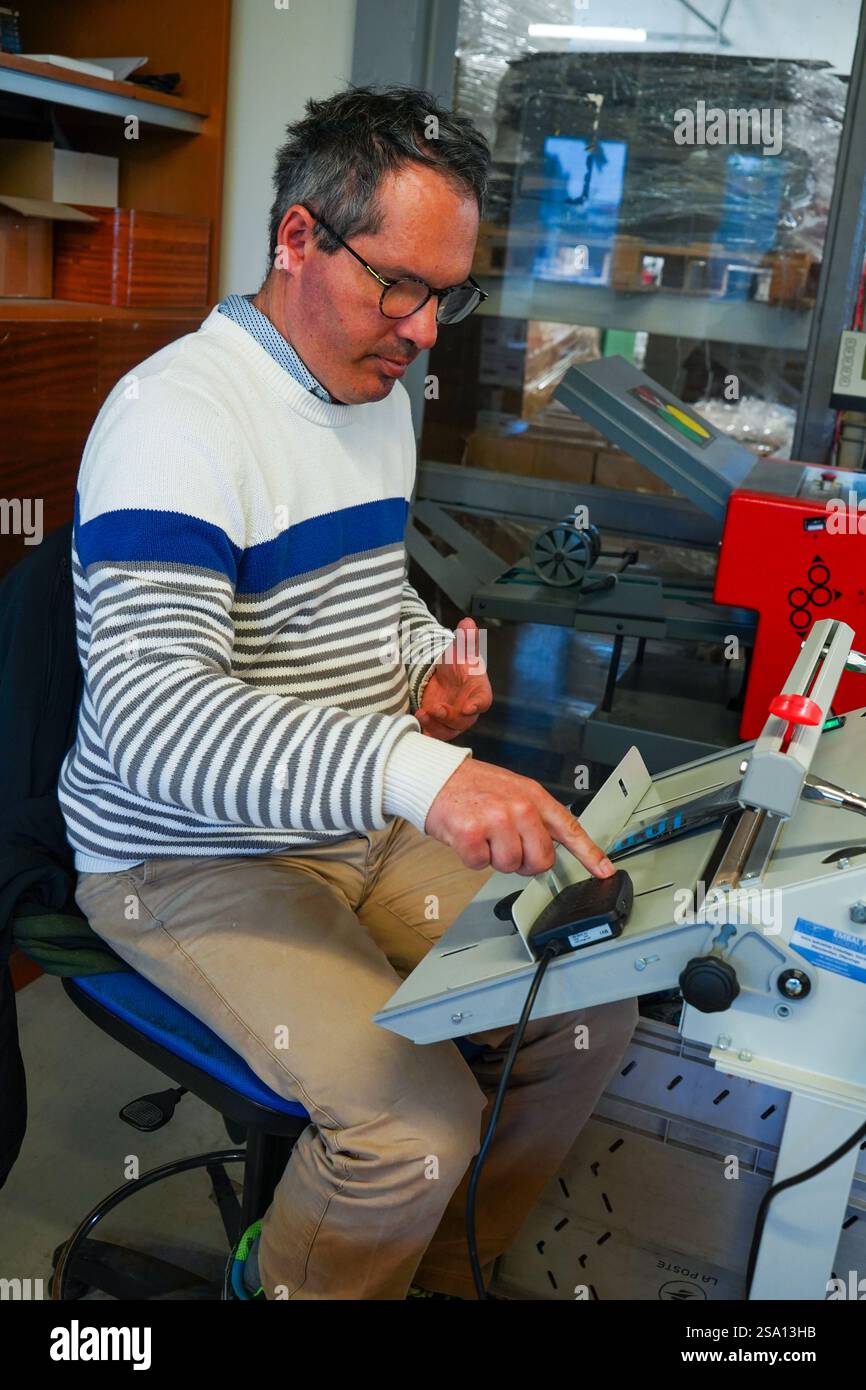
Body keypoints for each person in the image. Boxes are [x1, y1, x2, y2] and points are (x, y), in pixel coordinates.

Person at [62, 84, 637, 1300]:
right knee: (408, 1132)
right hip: (185, 857)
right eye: (399, 286)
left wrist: (423, 674)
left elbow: (367, 606)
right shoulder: (175, 422)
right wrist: (417, 772)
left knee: (587, 1005)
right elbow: (153, 719)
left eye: (447, 294)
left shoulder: (374, 395)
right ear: (296, 239)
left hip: (351, 826)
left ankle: (427, 1279)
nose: (425, 331)